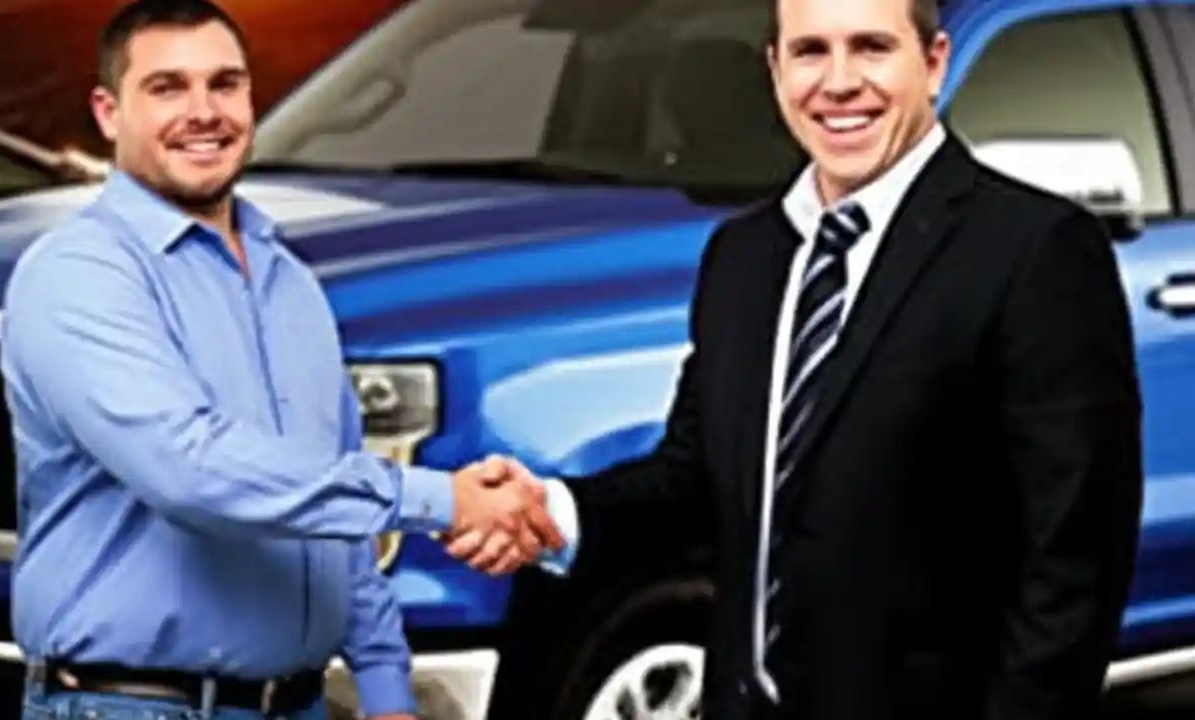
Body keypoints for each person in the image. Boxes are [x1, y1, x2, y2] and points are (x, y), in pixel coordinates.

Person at [452, 0, 1145, 718]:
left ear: (933, 62)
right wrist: (553, 511)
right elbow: (696, 483)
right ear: (776, 70)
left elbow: (1072, 563)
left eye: (871, 47)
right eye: (811, 51)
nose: (839, 82)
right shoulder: (743, 259)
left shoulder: (1035, 252)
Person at [0, 2, 562, 719]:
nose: (204, 112)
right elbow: (192, 469)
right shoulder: (80, 272)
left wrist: (387, 690)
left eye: (225, 84)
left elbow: (329, 499)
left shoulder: (290, 283)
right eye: (167, 88)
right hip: (132, 706)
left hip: (298, 704)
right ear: (109, 113)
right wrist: (446, 500)